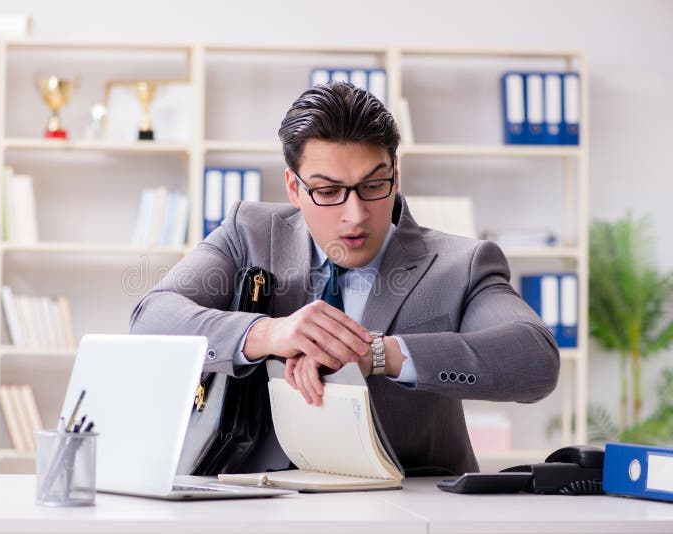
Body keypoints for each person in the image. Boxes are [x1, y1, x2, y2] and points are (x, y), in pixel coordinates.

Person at [130, 81, 559, 475]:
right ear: (293, 187)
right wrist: (270, 333)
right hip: (264, 502)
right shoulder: (249, 233)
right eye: (328, 192)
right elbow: (151, 318)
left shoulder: (460, 263)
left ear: (395, 172)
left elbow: (535, 361)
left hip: (414, 506)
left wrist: (378, 354)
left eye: (373, 186)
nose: (354, 215)